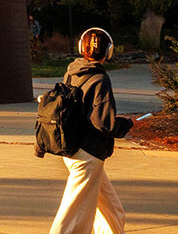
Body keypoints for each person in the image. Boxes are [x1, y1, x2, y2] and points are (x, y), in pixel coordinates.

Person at [50, 27, 133, 234]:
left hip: (72, 149)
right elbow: (105, 123)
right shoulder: (100, 79)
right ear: (108, 52)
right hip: (88, 156)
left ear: (81, 47)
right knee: (72, 217)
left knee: (112, 211)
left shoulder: (71, 71)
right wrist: (128, 124)